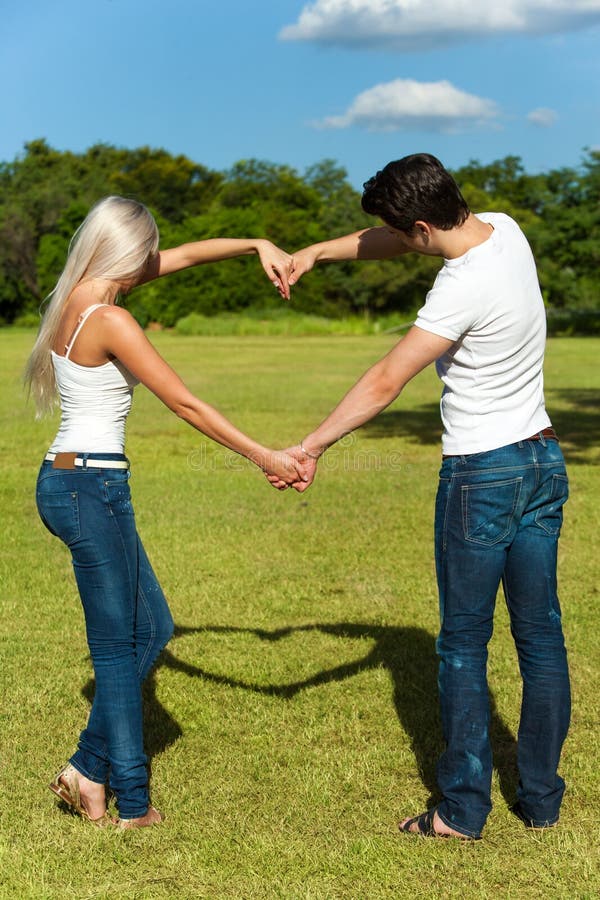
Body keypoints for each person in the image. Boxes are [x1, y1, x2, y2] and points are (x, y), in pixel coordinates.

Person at [275, 154, 571, 841]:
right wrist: (318, 253)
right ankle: (542, 800)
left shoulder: (458, 289)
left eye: (398, 231)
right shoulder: (503, 228)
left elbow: (386, 379)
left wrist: (311, 446)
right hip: (542, 460)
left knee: (464, 644)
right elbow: (396, 238)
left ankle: (462, 812)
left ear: (418, 225)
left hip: (482, 475)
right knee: (542, 639)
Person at [25, 195, 304, 828]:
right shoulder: (110, 319)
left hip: (76, 481)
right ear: (126, 252)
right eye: (147, 252)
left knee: (151, 628)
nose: (157, 261)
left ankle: (84, 771)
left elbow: (185, 256)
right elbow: (186, 404)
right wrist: (265, 455)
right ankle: (131, 801)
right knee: (119, 651)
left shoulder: (79, 294)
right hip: (88, 488)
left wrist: (255, 243)